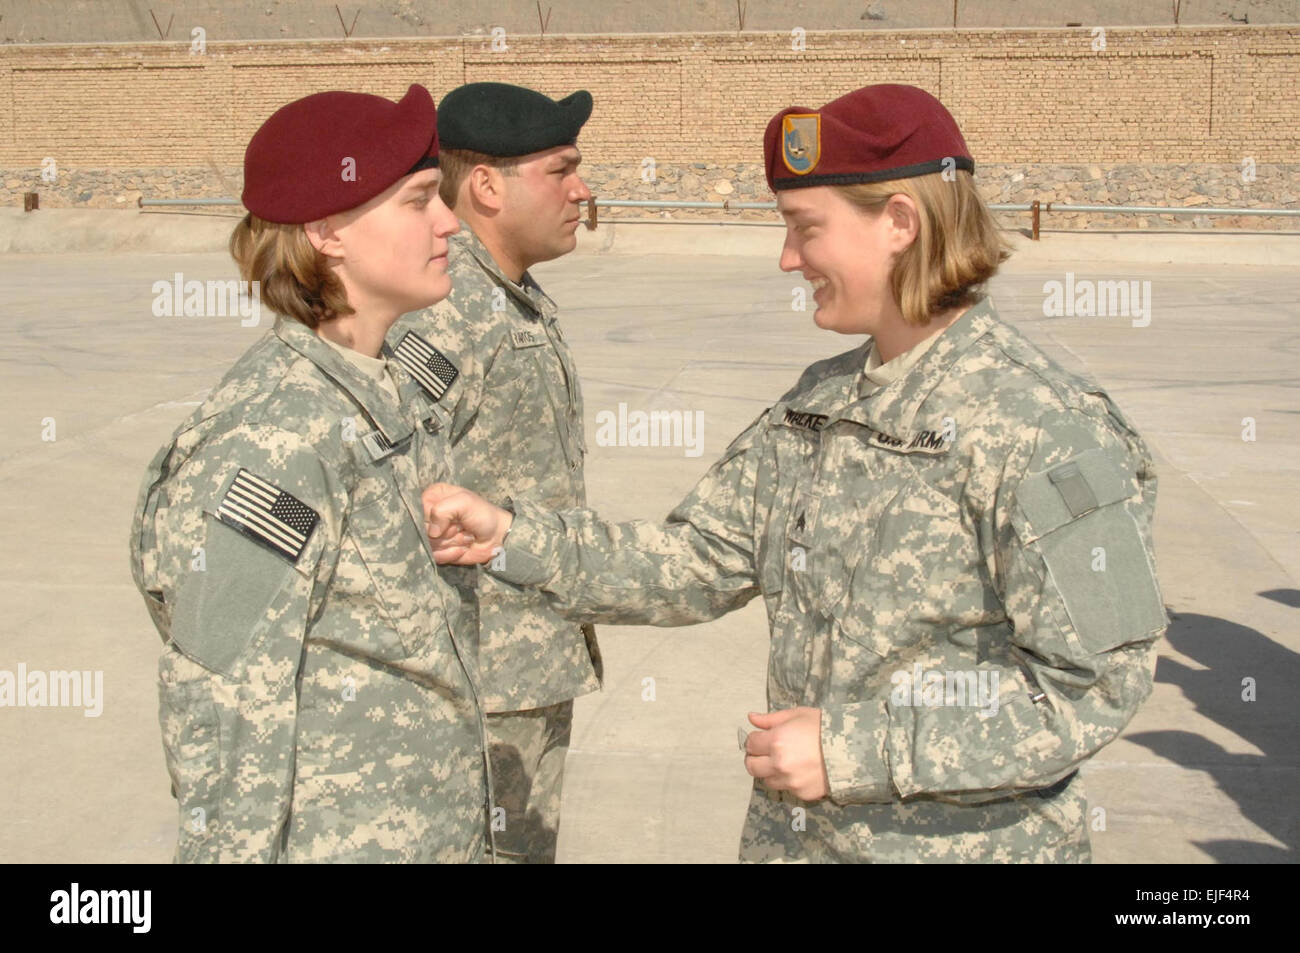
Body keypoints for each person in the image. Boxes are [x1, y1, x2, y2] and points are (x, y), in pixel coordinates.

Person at [423, 84, 1169, 863]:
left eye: (804, 230)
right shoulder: (818, 406)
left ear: (901, 225)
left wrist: (855, 751)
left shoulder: (1051, 429)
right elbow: (690, 560)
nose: (788, 259)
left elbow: (1095, 685)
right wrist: (511, 538)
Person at [128, 84, 494, 862]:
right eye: (419, 200)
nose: (450, 221)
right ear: (327, 230)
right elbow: (220, 702)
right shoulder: (272, 440)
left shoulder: (393, 380)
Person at [388, 82, 601, 864]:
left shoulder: (511, 299)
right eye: (561, 169)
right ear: (486, 185)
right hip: (485, 683)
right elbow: (393, 485)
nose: (582, 189)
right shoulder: (453, 311)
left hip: (527, 665)